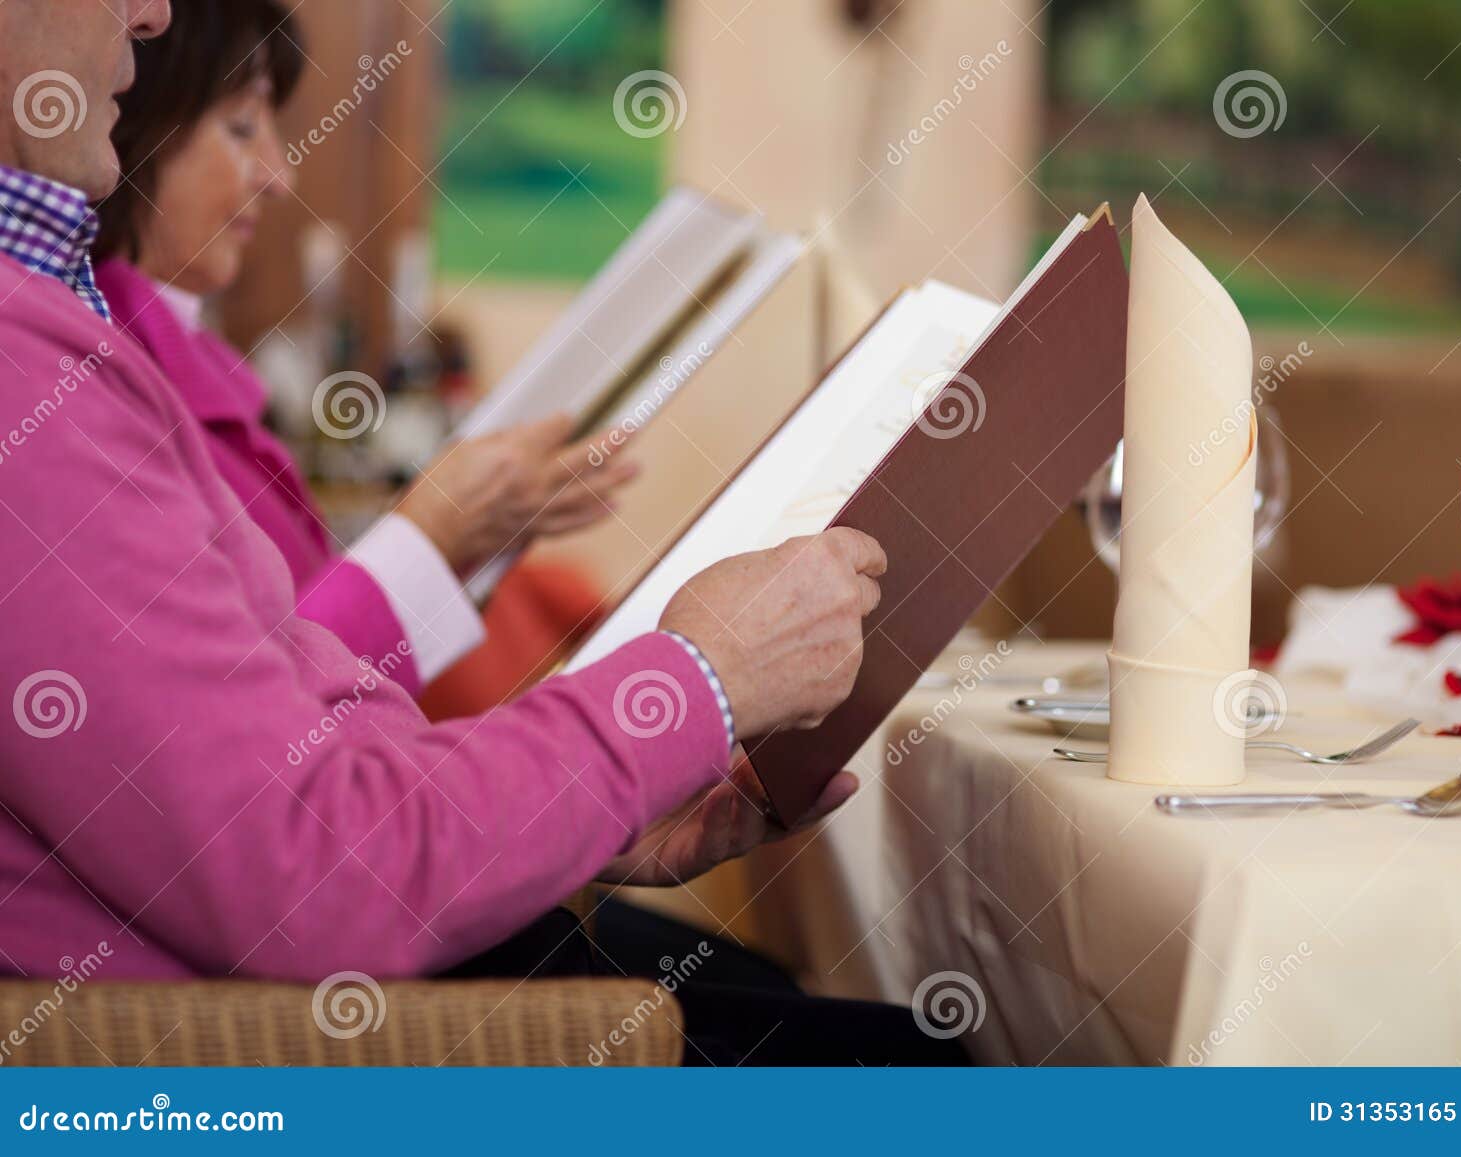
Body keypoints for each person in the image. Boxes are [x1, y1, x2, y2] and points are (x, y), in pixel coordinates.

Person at [0, 0, 963, 1064]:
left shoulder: (60, 336)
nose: (149, 11)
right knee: (947, 1061)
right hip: (330, 1052)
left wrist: (585, 804)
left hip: (357, 995)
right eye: (238, 126)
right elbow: (314, 873)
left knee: (892, 1038)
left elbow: (288, 737)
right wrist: (693, 678)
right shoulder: (28, 371)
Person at [90, 3, 633, 699]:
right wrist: (430, 531)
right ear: (129, 126)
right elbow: (243, 699)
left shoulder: (188, 362)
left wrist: (464, 535)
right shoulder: (107, 382)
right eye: (240, 126)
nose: (278, 175)